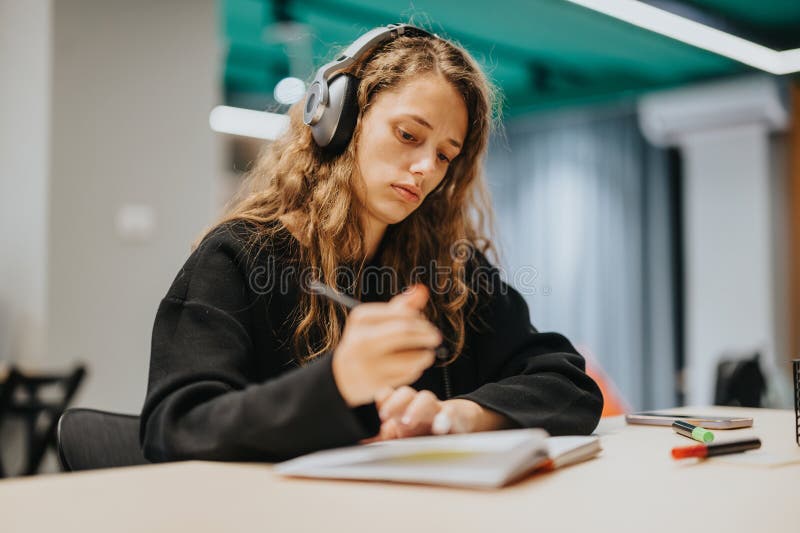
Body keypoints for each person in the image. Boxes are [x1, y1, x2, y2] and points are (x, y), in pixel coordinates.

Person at [140, 24, 603, 462]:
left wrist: (462, 415)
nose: (426, 167)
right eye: (408, 135)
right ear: (342, 119)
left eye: (444, 154)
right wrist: (338, 384)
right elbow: (175, 428)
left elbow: (568, 384)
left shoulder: (450, 269)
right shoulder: (237, 257)